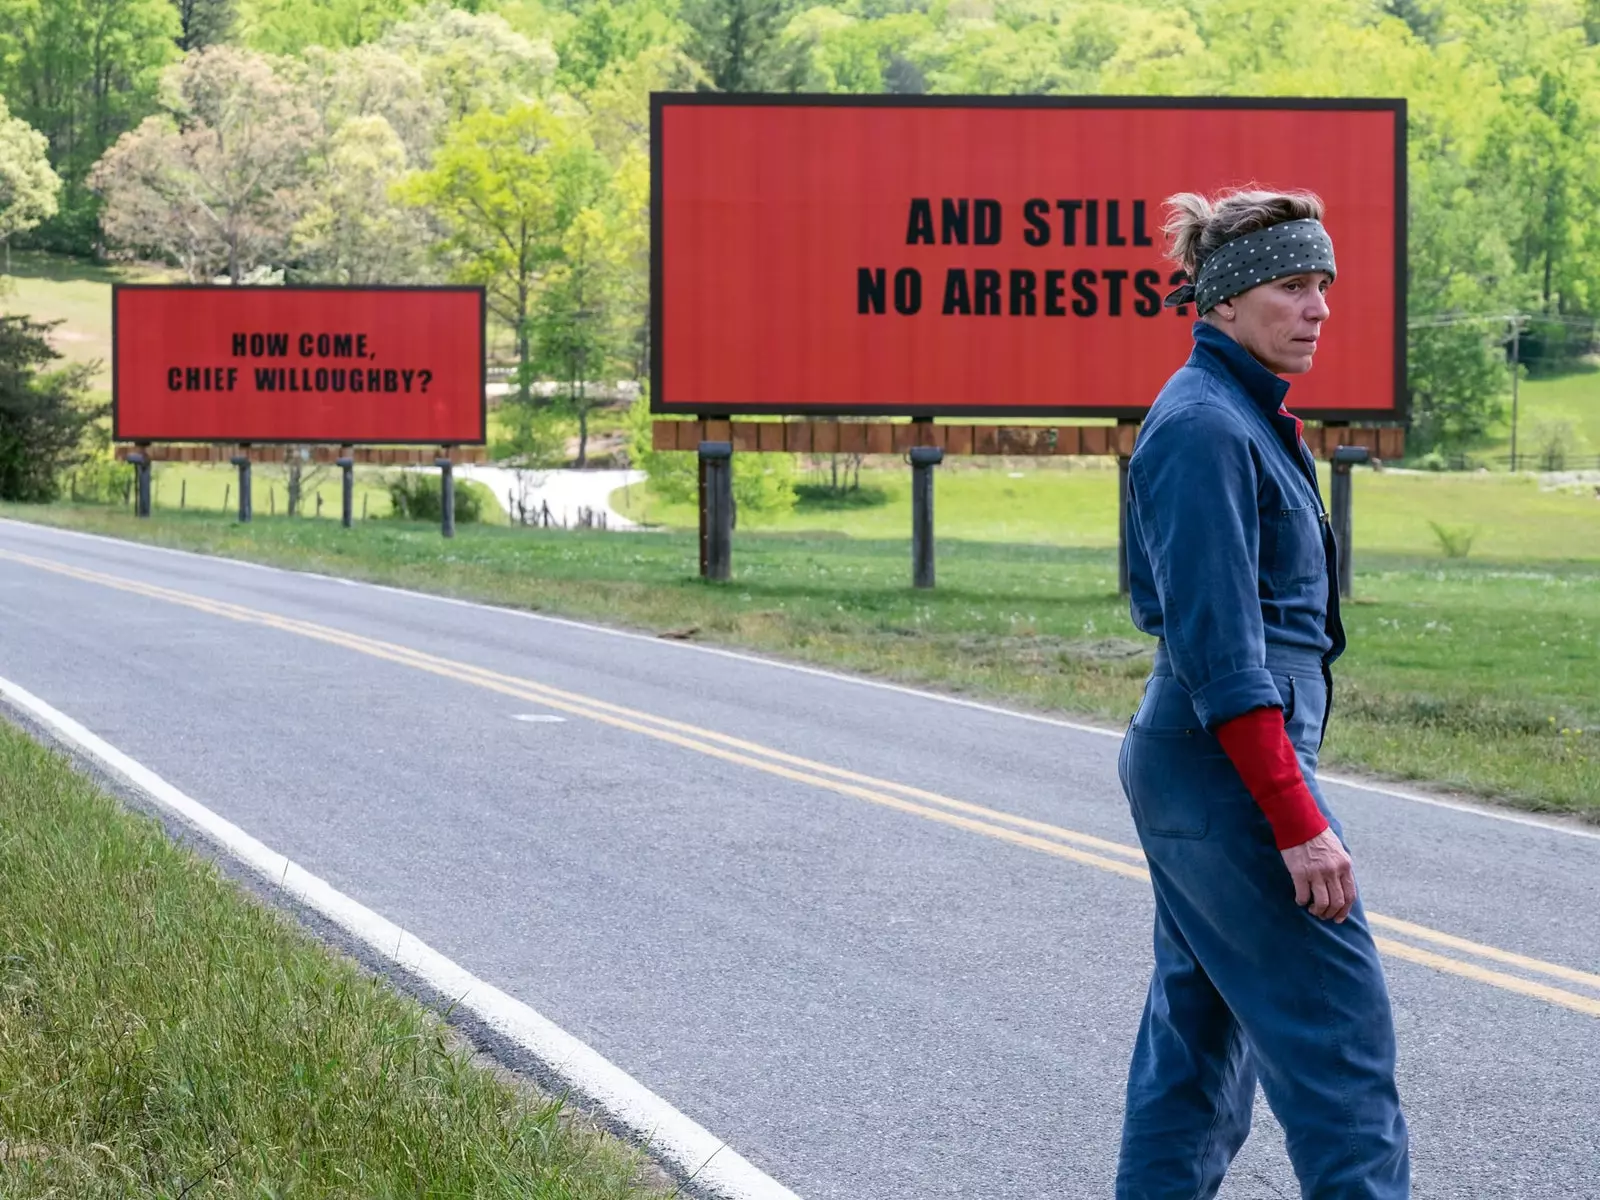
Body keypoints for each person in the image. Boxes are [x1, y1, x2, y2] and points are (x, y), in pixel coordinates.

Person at [1115, 188, 1410, 1199]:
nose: (1317, 307)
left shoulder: (1237, 415)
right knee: (1339, 1053)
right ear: (1226, 301)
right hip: (1224, 768)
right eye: (1292, 285)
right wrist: (1294, 818)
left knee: (1196, 1050)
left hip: (1208, 765)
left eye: (1323, 284)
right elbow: (1222, 655)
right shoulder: (1203, 428)